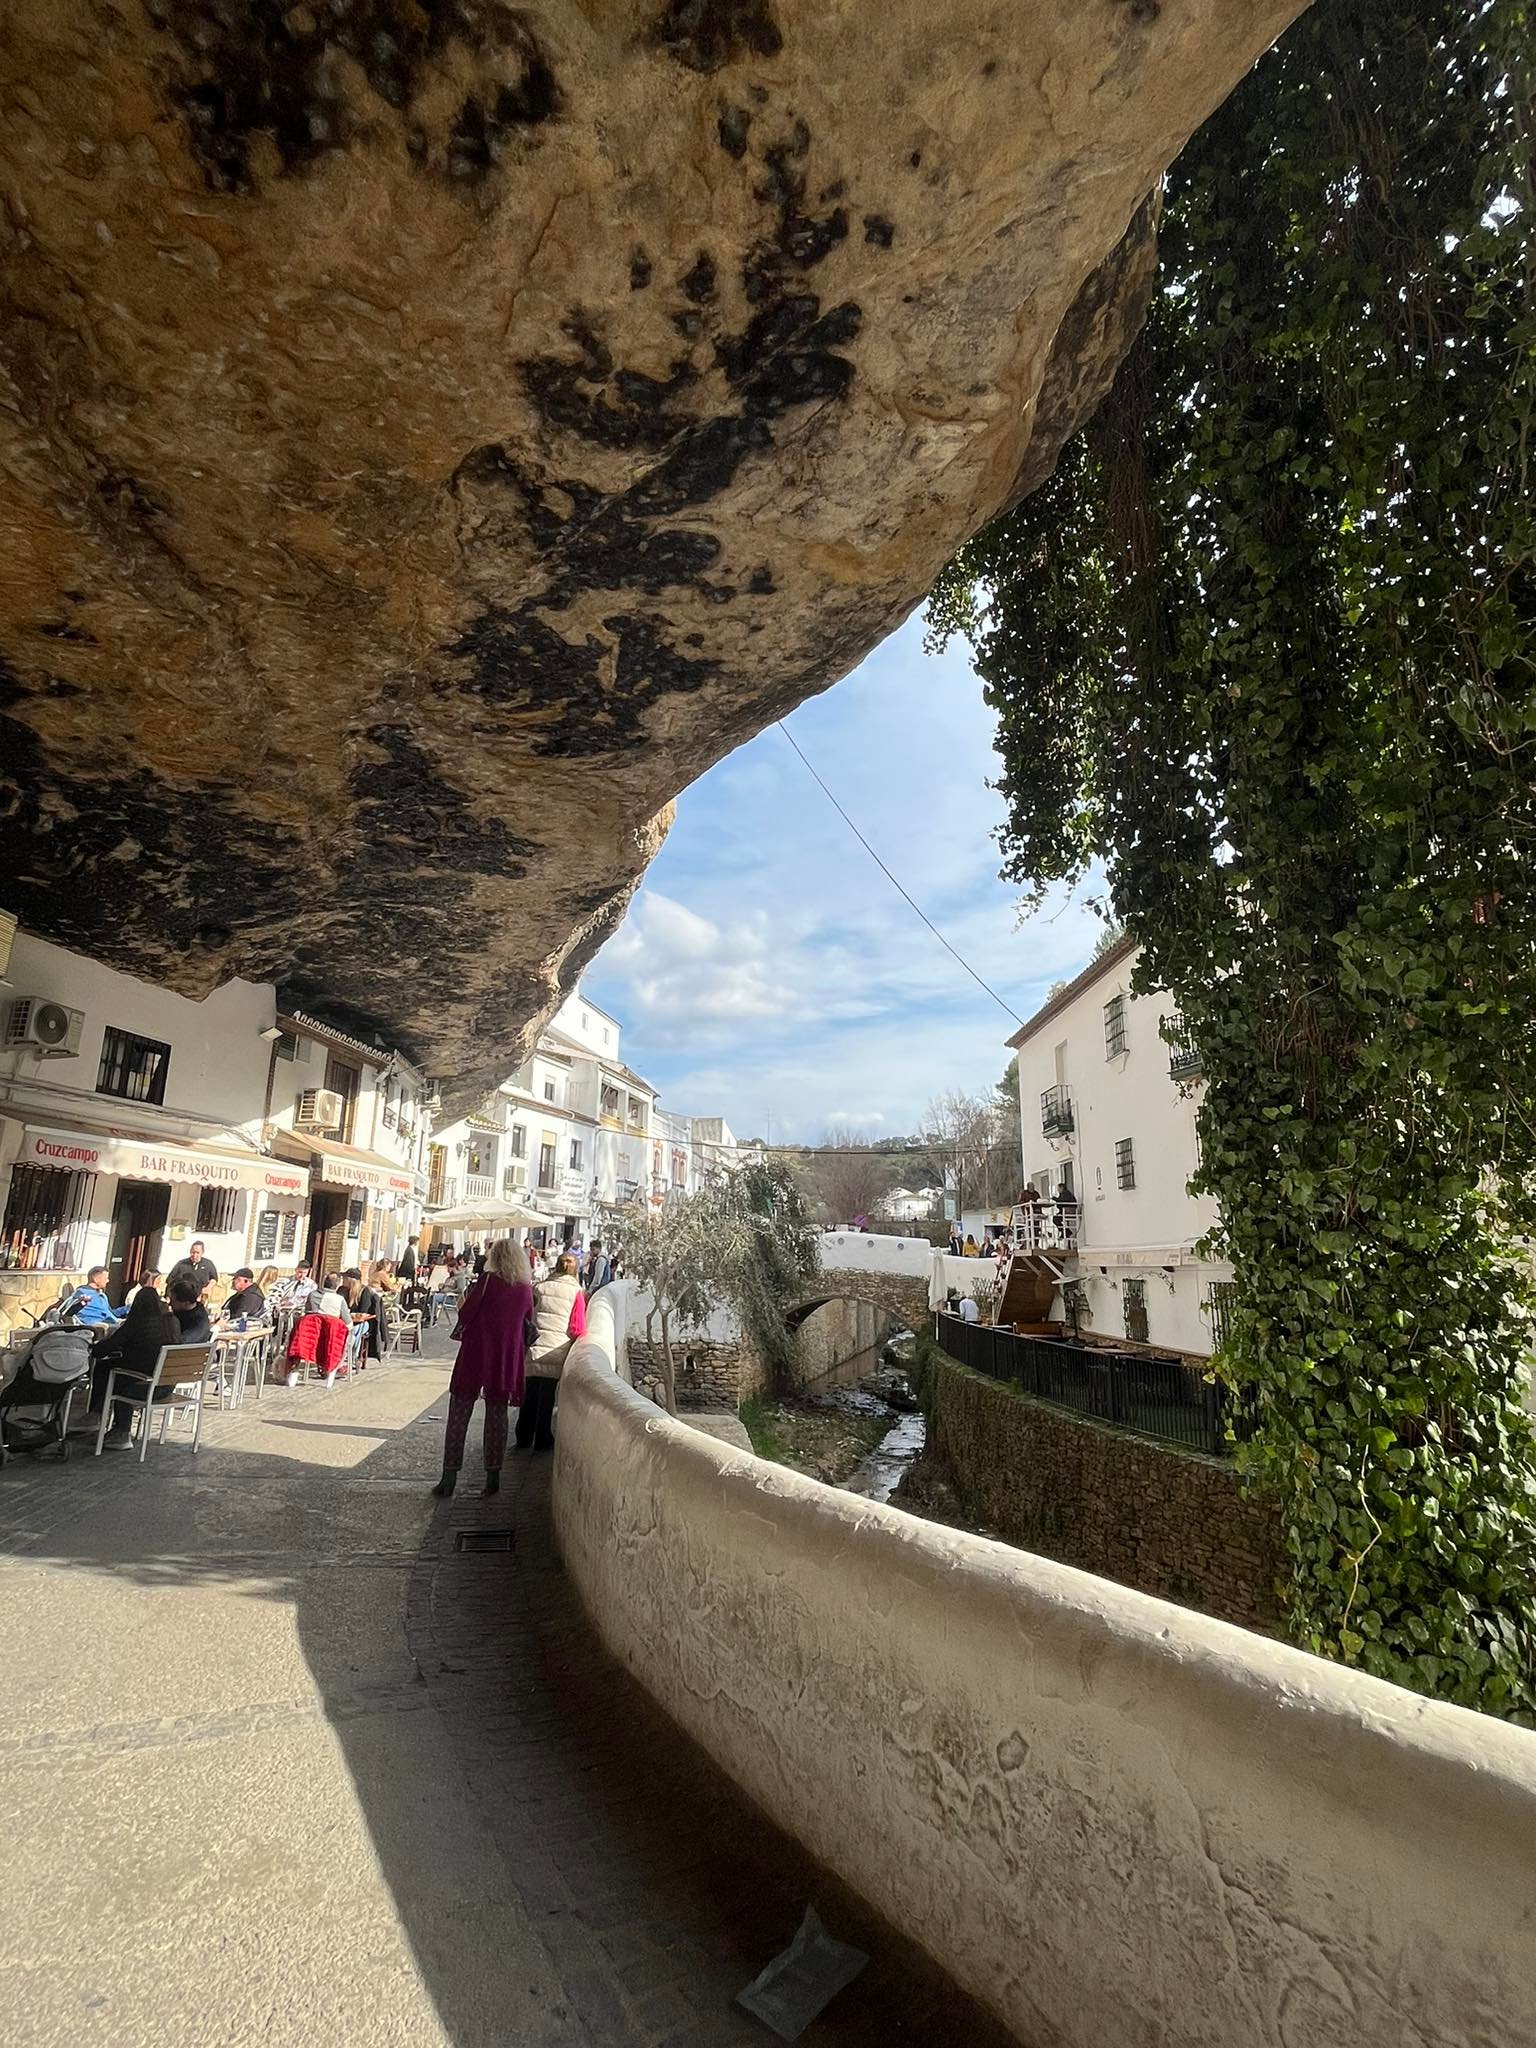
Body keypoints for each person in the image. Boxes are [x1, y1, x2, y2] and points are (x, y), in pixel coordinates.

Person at [433, 1239, 534, 1499]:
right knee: (497, 1417)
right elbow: (528, 1321)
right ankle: (493, 1477)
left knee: (459, 1413)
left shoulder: (487, 1283)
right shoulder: (524, 1289)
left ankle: (449, 1478)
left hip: (477, 1352)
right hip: (505, 1357)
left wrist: (463, 1304)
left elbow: (466, 1315)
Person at [93, 1277, 210, 1447]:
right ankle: (102, 1421)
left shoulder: (137, 1324)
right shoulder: (173, 1322)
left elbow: (104, 1349)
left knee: (113, 1375)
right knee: (114, 1369)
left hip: (146, 1387)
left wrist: (91, 1348)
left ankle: (114, 1428)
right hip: (168, 1382)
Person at [517, 1251, 586, 1452]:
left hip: (534, 1347)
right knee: (547, 1397)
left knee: (529, 1393)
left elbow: (528, 1315)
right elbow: (577, 1327)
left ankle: (522, 1436)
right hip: (557, 1349)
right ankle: (542, 1438)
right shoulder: (576, 1292)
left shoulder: (539, 1287)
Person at [59, 1266, 126, 1327]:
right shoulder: (81, 1293)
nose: (108, 1281)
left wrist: (128, 1308)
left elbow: (111, 1313)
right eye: (106, 1278)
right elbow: (71, 1312)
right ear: (96, 1279)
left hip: (112, 1323)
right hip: (95, 1327)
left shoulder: (102, 1295)